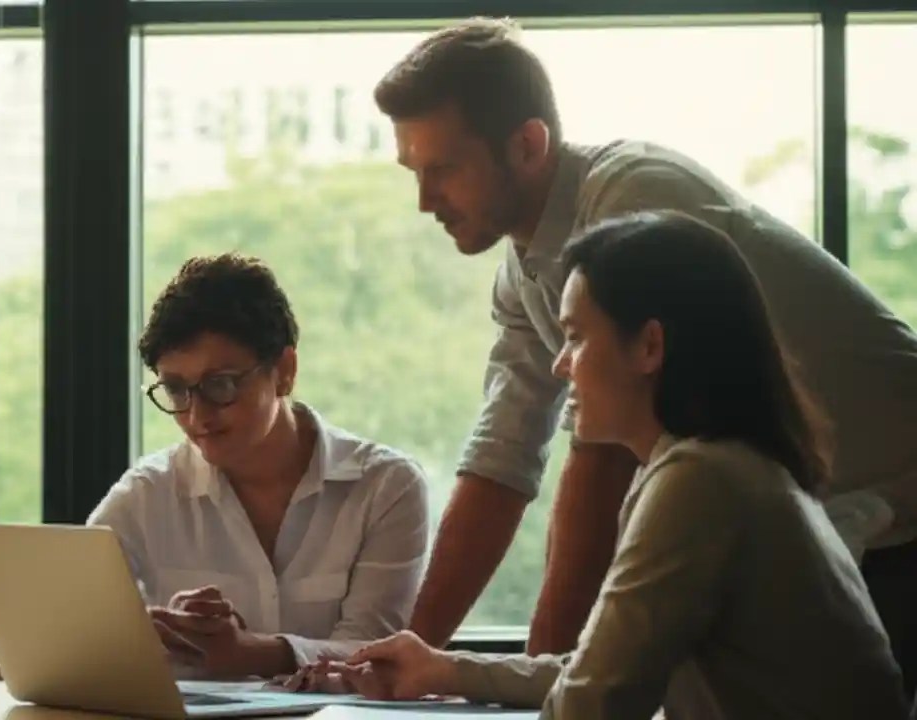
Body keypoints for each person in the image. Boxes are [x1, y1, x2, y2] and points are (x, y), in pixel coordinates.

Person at [374, 16, 917, 698]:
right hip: (823, 517)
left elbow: (600, 454)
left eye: (443, 169)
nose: (424, 200)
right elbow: (500, 460)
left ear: (528, 145)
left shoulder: (630, 208)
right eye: (414, 172)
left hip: (898, 503)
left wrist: (549, 681)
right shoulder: (525, 272)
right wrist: (408, 657)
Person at [292, 212, 909, 719]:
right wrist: (443, 667)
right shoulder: (719, 464)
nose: (563, 365)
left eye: (577, 337)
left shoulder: (701, 481)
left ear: (649, 346)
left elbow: (596, 705)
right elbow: (600, 668)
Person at [87, 252, 429, 679]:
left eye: (220, 385)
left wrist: (252, 652)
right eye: (175, 391)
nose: (197, 417)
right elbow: (75, 627)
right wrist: (158, 631)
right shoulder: (144, 496)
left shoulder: (385, 488)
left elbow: (373, 652)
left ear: (284, 371)